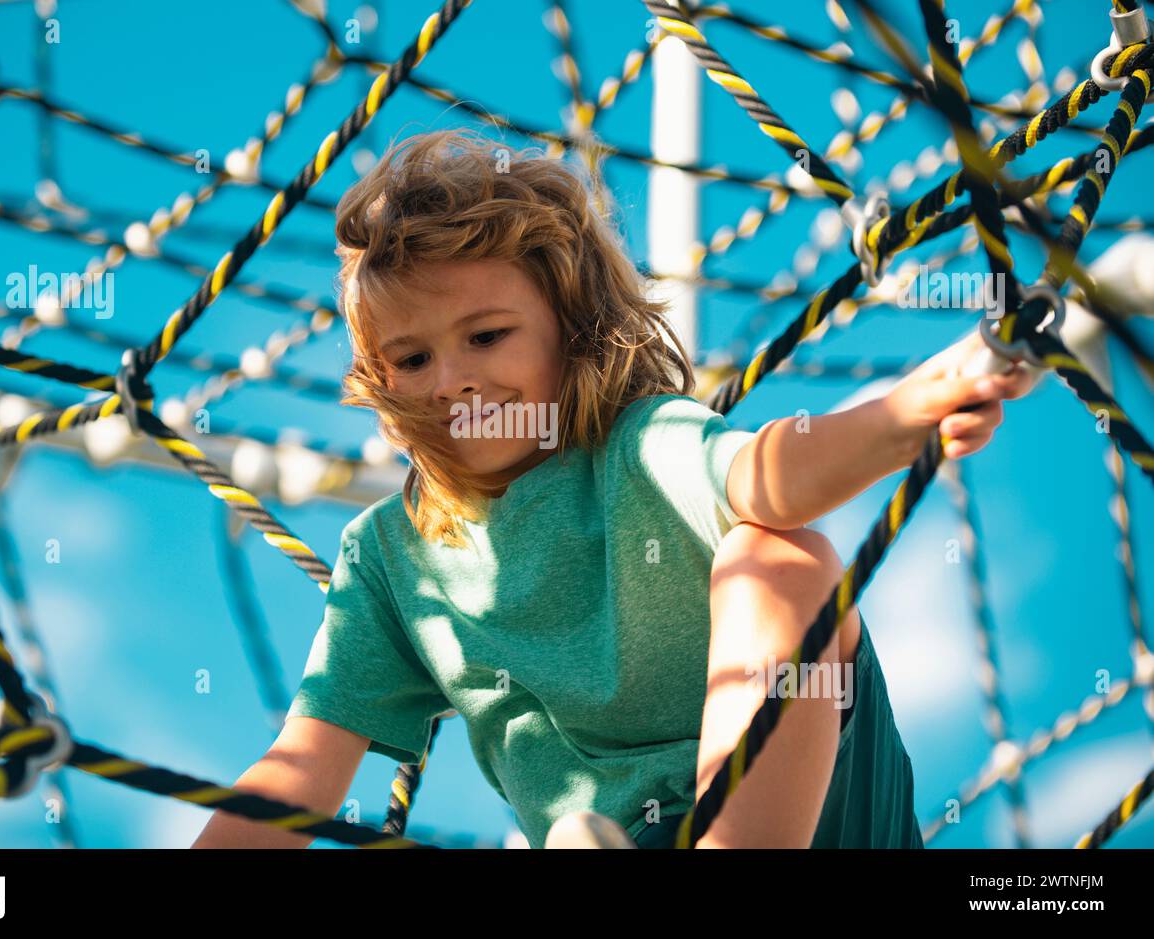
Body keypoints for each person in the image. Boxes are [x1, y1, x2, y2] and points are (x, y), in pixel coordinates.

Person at [191, 128, 1032, 850]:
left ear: (572, 329)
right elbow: (301, 768)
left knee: (780, 555)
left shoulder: (638, 450)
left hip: (825, 817)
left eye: (486, 336)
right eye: (412, 360)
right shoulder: (388, 558)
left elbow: (774, 476)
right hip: (611, 835)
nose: (452, 381)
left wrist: (909, 411)